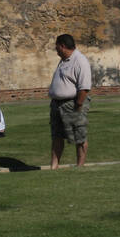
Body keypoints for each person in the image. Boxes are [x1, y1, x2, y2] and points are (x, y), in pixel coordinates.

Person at [49, 33, 92, 168]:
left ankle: (80, 166)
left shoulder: (80, 60)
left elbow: (84, 87)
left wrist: (78, 105)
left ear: (62, 46)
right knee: (57, 136)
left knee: (79, 136)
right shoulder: (63, 61)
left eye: (57, 48)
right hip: (57, 105)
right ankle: (54, 166)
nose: (56, 51)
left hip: (72, 103)